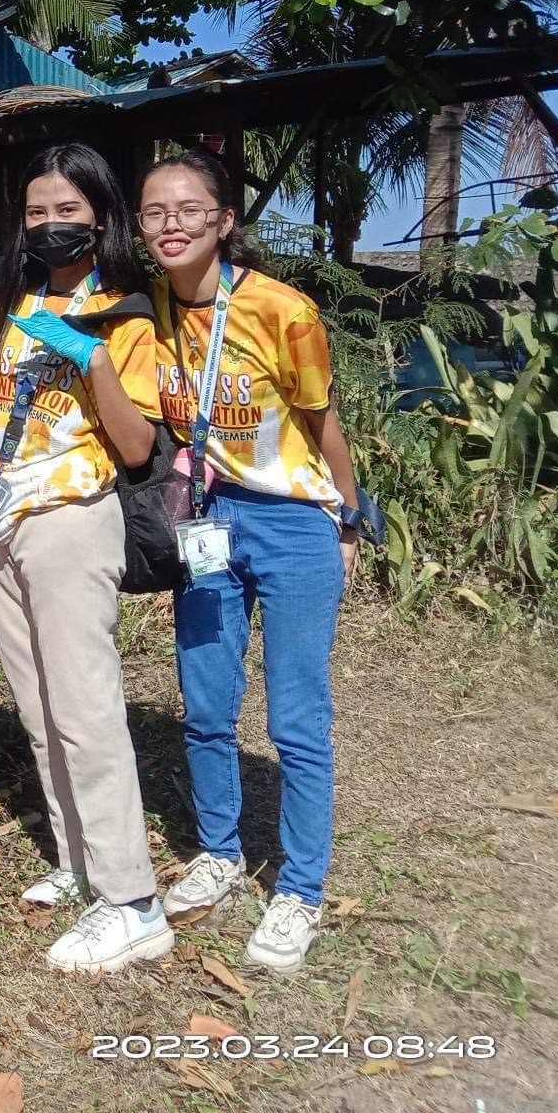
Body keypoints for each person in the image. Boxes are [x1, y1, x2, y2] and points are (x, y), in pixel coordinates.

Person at [139, 146, 362, 972]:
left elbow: (322, 419)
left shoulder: (283, 310)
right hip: (206, 520)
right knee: (203, 703)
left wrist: (347, 518)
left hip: (295, 522)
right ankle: (222, 854)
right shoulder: (148, 309)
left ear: (224, 221)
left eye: (189, 209)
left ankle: (300, 890)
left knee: (296, 718)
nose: (171, 226)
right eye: (155, 212)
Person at [0, 141, 168, 974]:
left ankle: (134, 901)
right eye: (37, 212)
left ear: (101, 217)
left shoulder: (125, 312)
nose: (51, 226)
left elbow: (136, 443)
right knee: (38, 703)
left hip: (72, 517)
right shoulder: (1, 308)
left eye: (68, 212)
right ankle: (78, 859)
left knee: (86, 707)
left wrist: (94, 361)